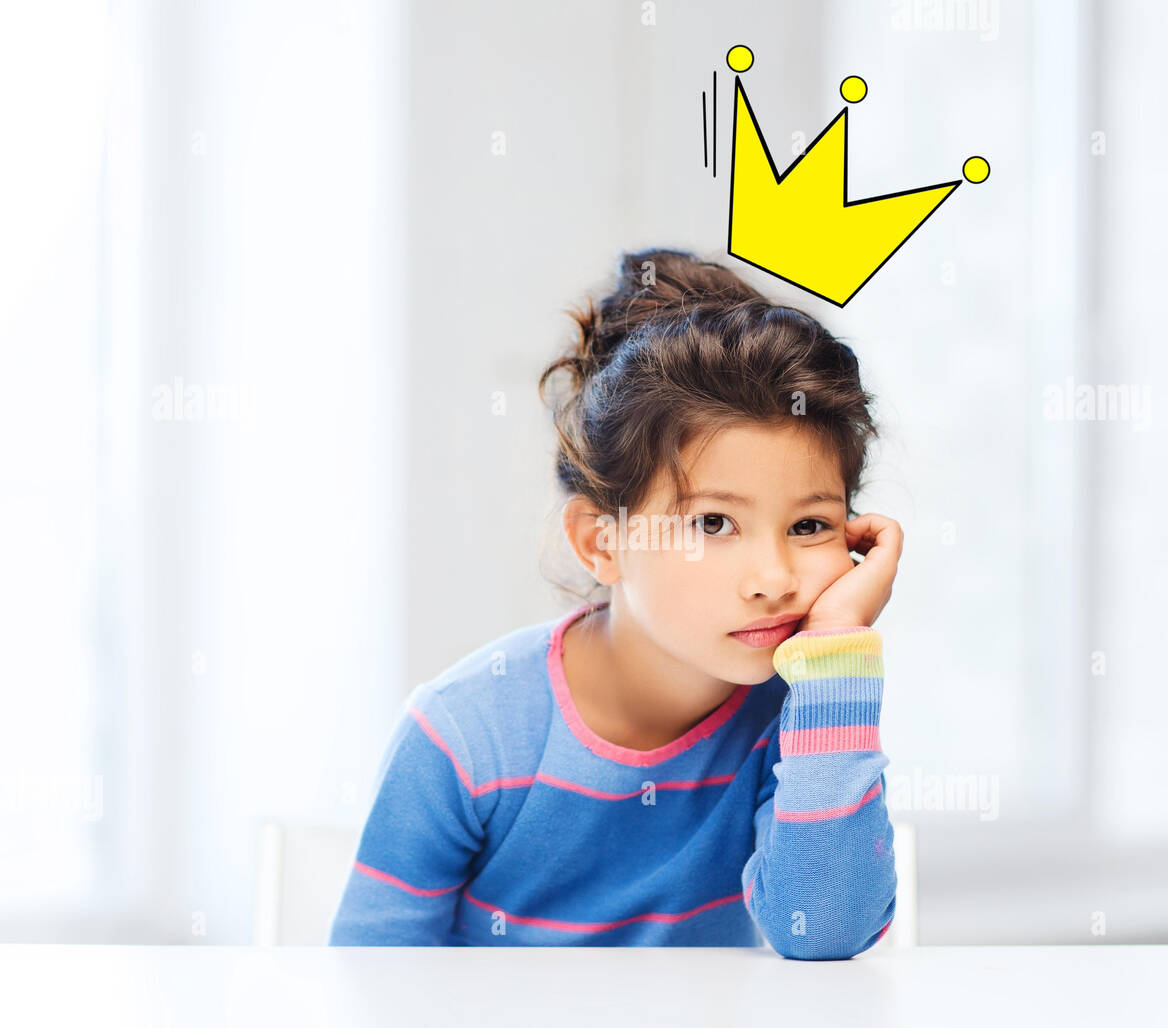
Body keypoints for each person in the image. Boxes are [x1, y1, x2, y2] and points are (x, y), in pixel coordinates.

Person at [328, 248, 903, 959]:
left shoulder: (805, 715)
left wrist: (837, 649)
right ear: (602, 543)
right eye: (713, 523)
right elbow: (367, 987)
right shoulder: (465, 735)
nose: (774, 577)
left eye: (809, 525)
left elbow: (826, 933)